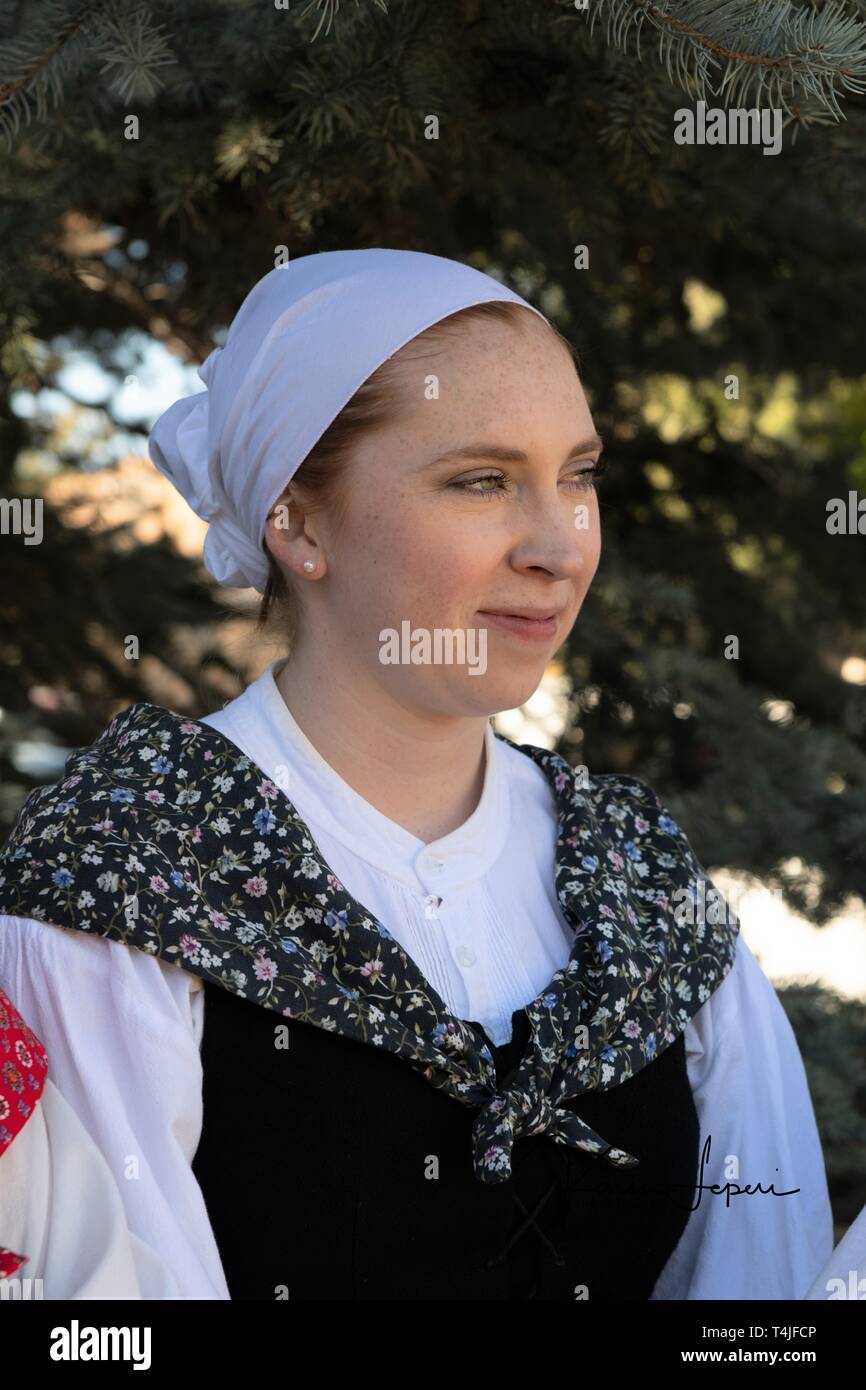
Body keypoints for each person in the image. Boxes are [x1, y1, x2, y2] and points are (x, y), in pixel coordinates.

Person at [0, 249, 834, 1300]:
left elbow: (760, 1292)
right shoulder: (124, 873)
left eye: (576, 476)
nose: (557, 544)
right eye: (480, 480)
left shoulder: (640, 882)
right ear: (296, 519)